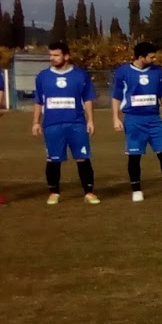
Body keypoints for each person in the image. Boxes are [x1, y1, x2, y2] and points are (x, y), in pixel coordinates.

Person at [111, 41, 162, 201]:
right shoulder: (123, 72)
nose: (154, 58)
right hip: (133, 120)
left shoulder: (157, 71)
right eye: (151, 56)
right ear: (141, 57)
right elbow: (116, 96)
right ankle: (136, 190)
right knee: (134, 156)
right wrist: (116, 118)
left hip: (154, 120)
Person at [32, 40, 98, 205]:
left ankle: (89, 192)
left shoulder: (80, 75)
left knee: (83, 158)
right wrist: (36, 122)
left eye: (56, 55)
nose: (52, 58)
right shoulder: (43, 76)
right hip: (52, 124)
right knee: (53, 159)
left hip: (77, 123)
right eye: (51, 55)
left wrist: (90, 120)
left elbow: (88, 98)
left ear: (66, 56)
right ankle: (54, 192)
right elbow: (39, 101)